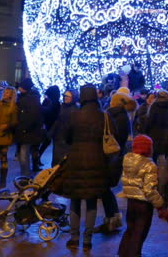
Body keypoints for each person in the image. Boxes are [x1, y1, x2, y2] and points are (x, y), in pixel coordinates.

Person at [62, 85, 112, 251]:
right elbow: (113, 136)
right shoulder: (104, 116)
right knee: (91, 201)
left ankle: (74, 237)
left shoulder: (73, 115)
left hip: (76, 160)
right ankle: (88, 239)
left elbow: (67, 136)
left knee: (75, 200)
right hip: (97, 161)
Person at [117, 134, 165, 257]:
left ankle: (123, 253)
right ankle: (134, 254)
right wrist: (159, 203)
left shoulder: (127, 161)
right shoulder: (150, 165)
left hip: (131, 201)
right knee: (140, 232)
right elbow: (149, 190)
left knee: (130, 229)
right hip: (144, 204)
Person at [100, 87, 135, 234]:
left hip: (109, 157)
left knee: (104, 189)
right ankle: (113, 220)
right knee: (106, 189)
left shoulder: (112, 116)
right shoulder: (124, 116)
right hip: (116, 156)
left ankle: (112, 221)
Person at [14, 79, 43, 176]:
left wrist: (23, 128)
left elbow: (31, 116)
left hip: (27, 132)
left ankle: (25, 176)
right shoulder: (25, 97)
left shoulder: (30, 99)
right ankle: (25, 174)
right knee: (23, 154)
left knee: (24, 154)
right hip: (25, 131)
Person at [48, 89, 78, 166]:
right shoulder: (63, 107)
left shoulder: (75, 109)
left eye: (67, 96)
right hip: (58, 138)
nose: (65, 97)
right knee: (56, 162)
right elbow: (58, 121)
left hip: (66, 140)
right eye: (64, 96)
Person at [37, 85, 61, 169]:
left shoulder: (48, 101)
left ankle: (37, 157)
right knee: (47, 142)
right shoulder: (55, 102)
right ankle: (37, 157)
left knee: (46, 142)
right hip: (51, 125)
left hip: (48, 124)